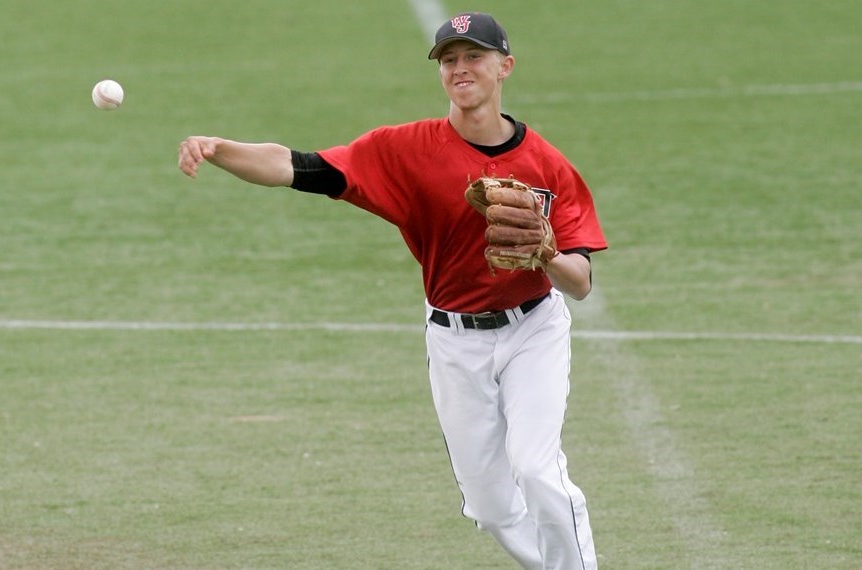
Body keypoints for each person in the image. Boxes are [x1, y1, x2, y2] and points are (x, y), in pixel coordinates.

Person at [178, 12, 606, 570]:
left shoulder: (547, 164)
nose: (460, 68)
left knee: (536, 469)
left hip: (533, 330)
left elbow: (581, 284)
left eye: (473, 56)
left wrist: (547, 254)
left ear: (505, 66)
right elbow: (297, 166)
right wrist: (219, 149)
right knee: (492, 507)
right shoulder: (404, 151)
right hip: (455, 341)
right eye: (449, 59)